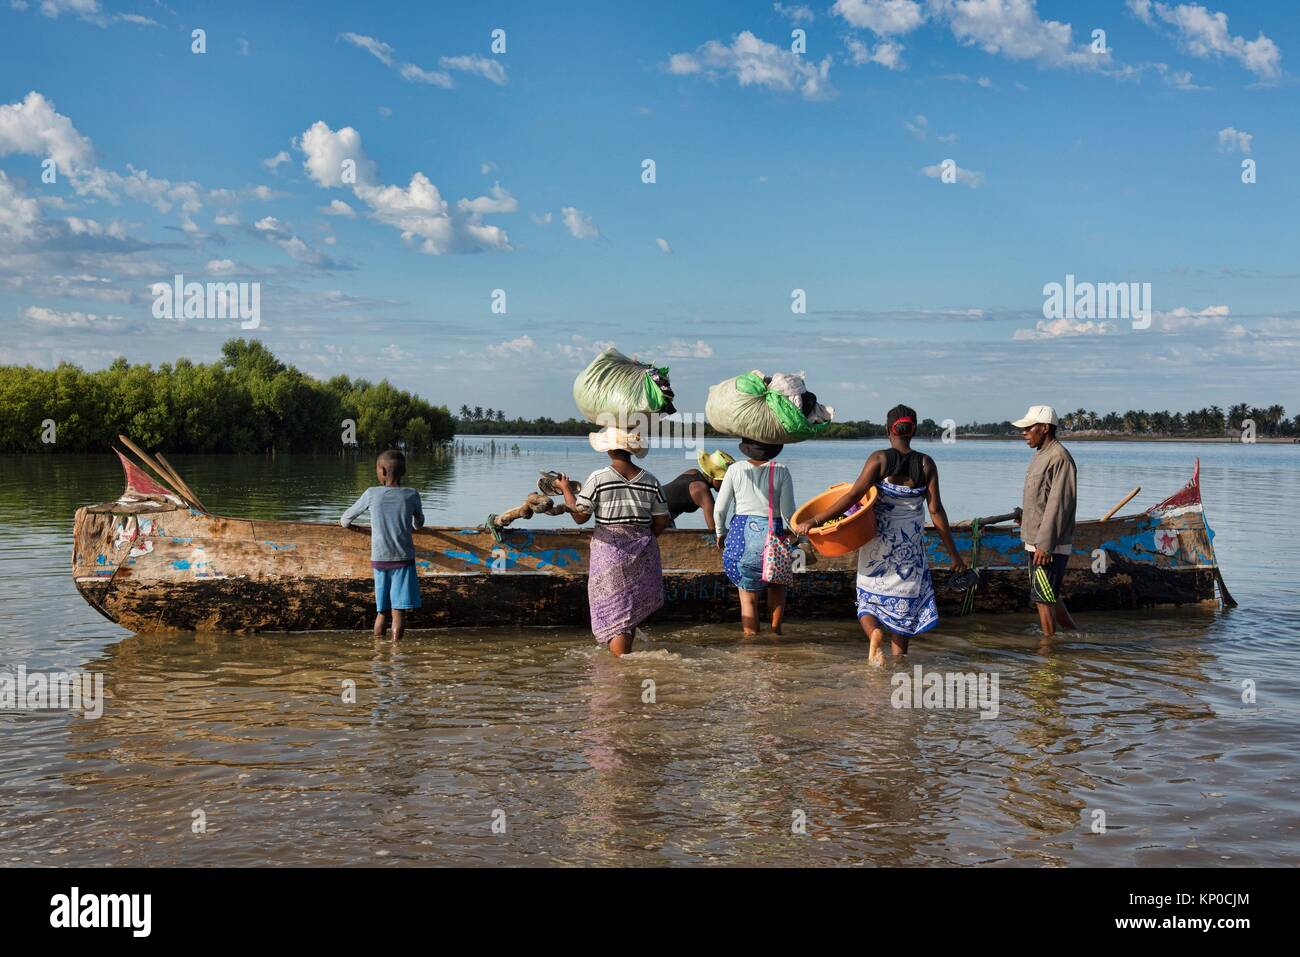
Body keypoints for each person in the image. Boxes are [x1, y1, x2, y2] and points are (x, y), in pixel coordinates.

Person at [794, 405, 965, 666]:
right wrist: (954, 555)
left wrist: (815, 520)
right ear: (914, 430)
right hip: (909, 551)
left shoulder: (879, 459)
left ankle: (874, 633)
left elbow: (851, 496)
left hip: (877, 544)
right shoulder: (925, 463)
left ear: (888, 430)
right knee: (904, 610)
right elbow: (936, 511)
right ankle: (899, 664)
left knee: (867, 600)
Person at [557, 427, 670, 657]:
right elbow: (662, 519)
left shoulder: (599, 478)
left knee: (615, 612)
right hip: (643, 550)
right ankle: (625, 661)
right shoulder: (651, 481)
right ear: (630, 450)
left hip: (609, 552)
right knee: (628, 608)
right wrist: (643, 540)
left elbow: (580, 516)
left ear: (609, 449)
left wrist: (566, 490)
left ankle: (620, 668)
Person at [713, 438, 796, 637]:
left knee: (748, 599)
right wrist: (795, 534)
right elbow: (788, 512)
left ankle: (751, 643)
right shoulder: (781, 470)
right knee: (777, 586)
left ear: (747, 449)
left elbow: (720, 510)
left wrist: (720, 533)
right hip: (773, 538)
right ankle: (776, 633)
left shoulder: (734, 469)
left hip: (741, 541)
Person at [340, 449, 425, 641]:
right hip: (403, 561)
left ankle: (378, 653)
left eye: (377, 470)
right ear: (402, 472)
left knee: (382, 612)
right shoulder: (412, 494)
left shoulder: (372, 494)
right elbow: (418, 523)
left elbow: (345, 520)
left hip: (379, 560)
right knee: (398, 613)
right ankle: (396, 654)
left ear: (383, 471)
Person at [1011, 404, 1078, 639]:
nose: (1024, 433)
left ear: (1045, 428)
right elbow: (1040, 499)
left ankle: (1048, 651)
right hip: (1036, 538)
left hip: (1048, 543)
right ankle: (1076, 635)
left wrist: (1045, 545)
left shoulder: (1059, 457)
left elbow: (1058, 504)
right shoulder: (1041, 455)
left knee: (1043, 598)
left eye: (1029, 428)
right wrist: (1025, 515)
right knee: (1048, 593)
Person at [661, 449, 734, 530]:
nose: (727, 485)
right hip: (653, 515)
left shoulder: (692, 472)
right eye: (725, 480)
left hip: (654, 509)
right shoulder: (701, 490)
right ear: (714, 476)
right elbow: (714, 528)